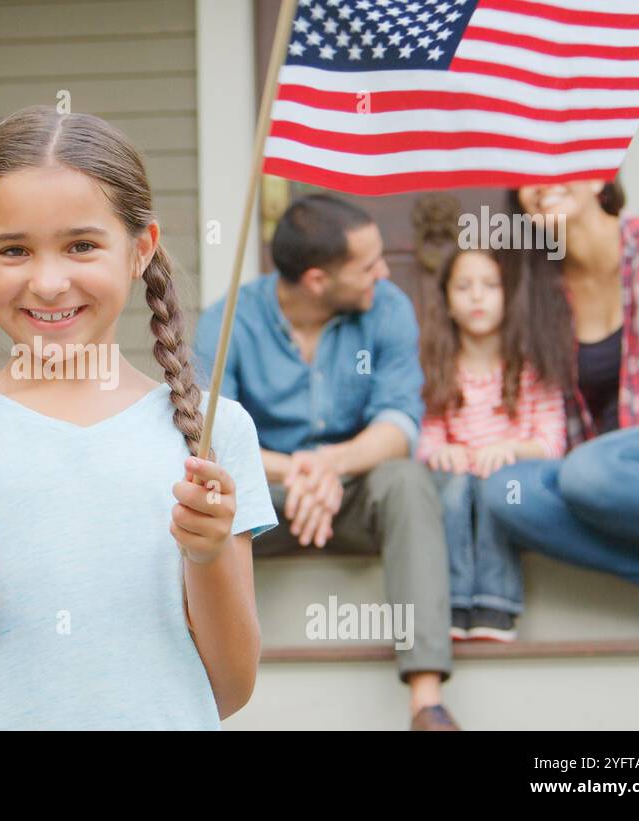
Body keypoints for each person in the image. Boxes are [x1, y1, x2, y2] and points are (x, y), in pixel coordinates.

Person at [0, 106, 278, 730]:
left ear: (141, 250)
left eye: (82, 245)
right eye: (14, 250)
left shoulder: (214, 434)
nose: (50, 281)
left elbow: (231, 687)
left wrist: (209, 555)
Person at [193, 194, 457, 731]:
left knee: (408, 481)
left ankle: (426, 704)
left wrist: (332, 464)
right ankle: (195, 691)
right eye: (367, 266)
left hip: (360, 490)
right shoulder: (229, 323)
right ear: (317, 279)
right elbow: (204, 438)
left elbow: (399, 424)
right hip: (268, 498)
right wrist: (298, 472)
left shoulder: (387, 308)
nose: (383, 273)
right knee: (198, 499)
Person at [481, 181, 639, 639]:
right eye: (526, 176)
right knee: (506, 490)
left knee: (589, 468)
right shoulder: (539, 286)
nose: (540, 185)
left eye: (557, 163)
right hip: (603, 479)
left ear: (597, 178)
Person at [416, 247, 566, 642]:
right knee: (454, 488)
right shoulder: (437, 367)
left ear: (509, 296)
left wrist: (512, 449)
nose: (477, 296)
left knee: (495, 487)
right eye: (464, 287)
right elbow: (426, 436)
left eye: (490, 285)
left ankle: (495, 604)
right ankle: (453, 602)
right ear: (447, 301)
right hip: (458, 480)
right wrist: (441, 452)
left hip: (512, 477)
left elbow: (553, 442)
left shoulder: (532, 366)